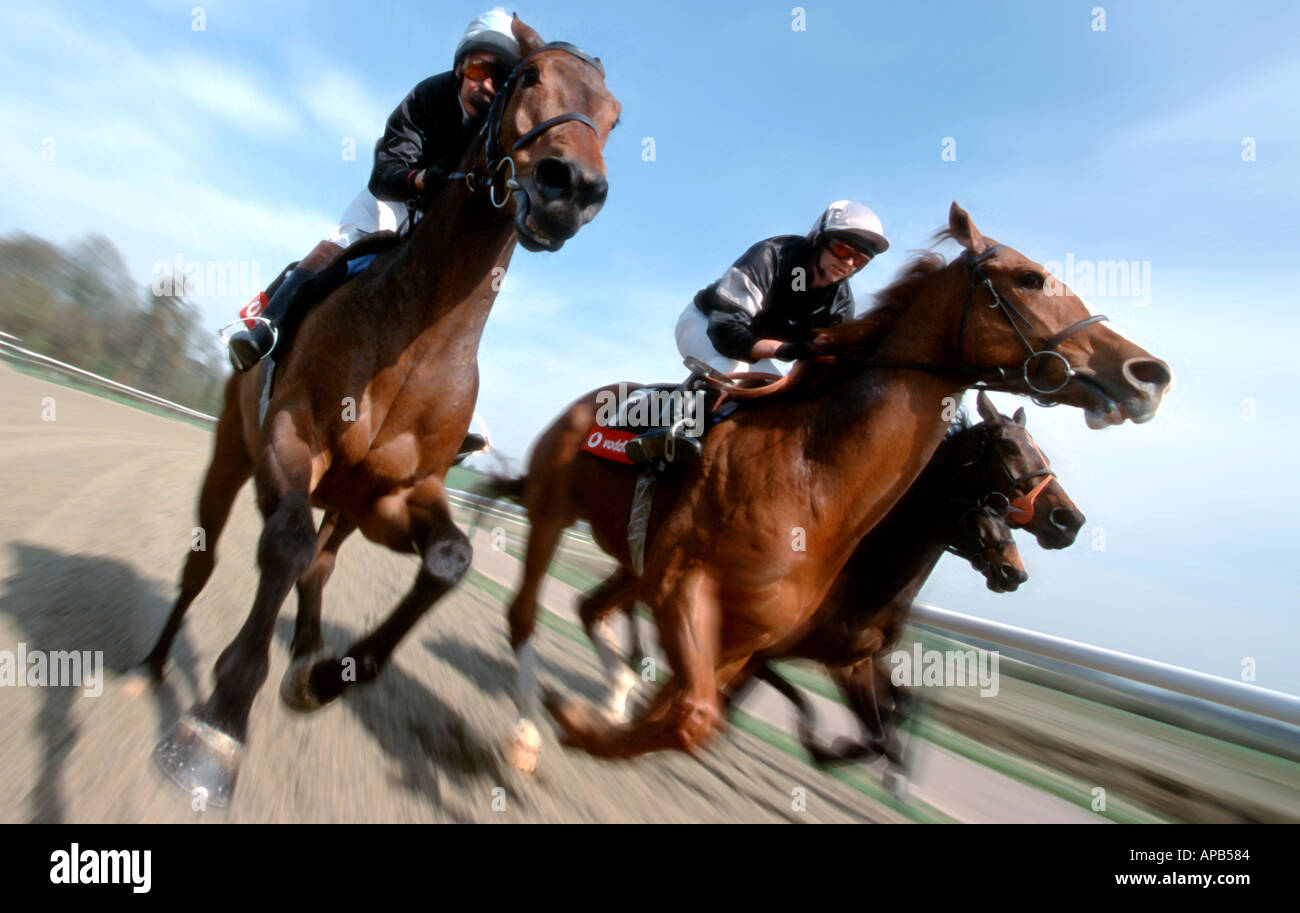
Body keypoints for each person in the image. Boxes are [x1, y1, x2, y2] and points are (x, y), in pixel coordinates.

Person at [225, 8, 523, 373]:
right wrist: (424, 179)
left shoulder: (500, 127)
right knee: (345, 240)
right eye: (479, 70)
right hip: (394, 200)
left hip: (439, 225)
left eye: (501, 77)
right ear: (461, 67)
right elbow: (384, 174)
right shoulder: (427, 96)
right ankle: (268, 326)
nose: (488, 86)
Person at [676, 199, 889, 376]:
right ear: (818, 239)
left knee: (779, 398)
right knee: (732, 369)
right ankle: (653, 416)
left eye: (860, 260)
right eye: (843, 250)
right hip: (706, 324)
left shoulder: (840, 304)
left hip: (752, 345)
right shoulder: (770, 256)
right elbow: (725, 333)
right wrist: (785, 350)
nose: (849, 263)